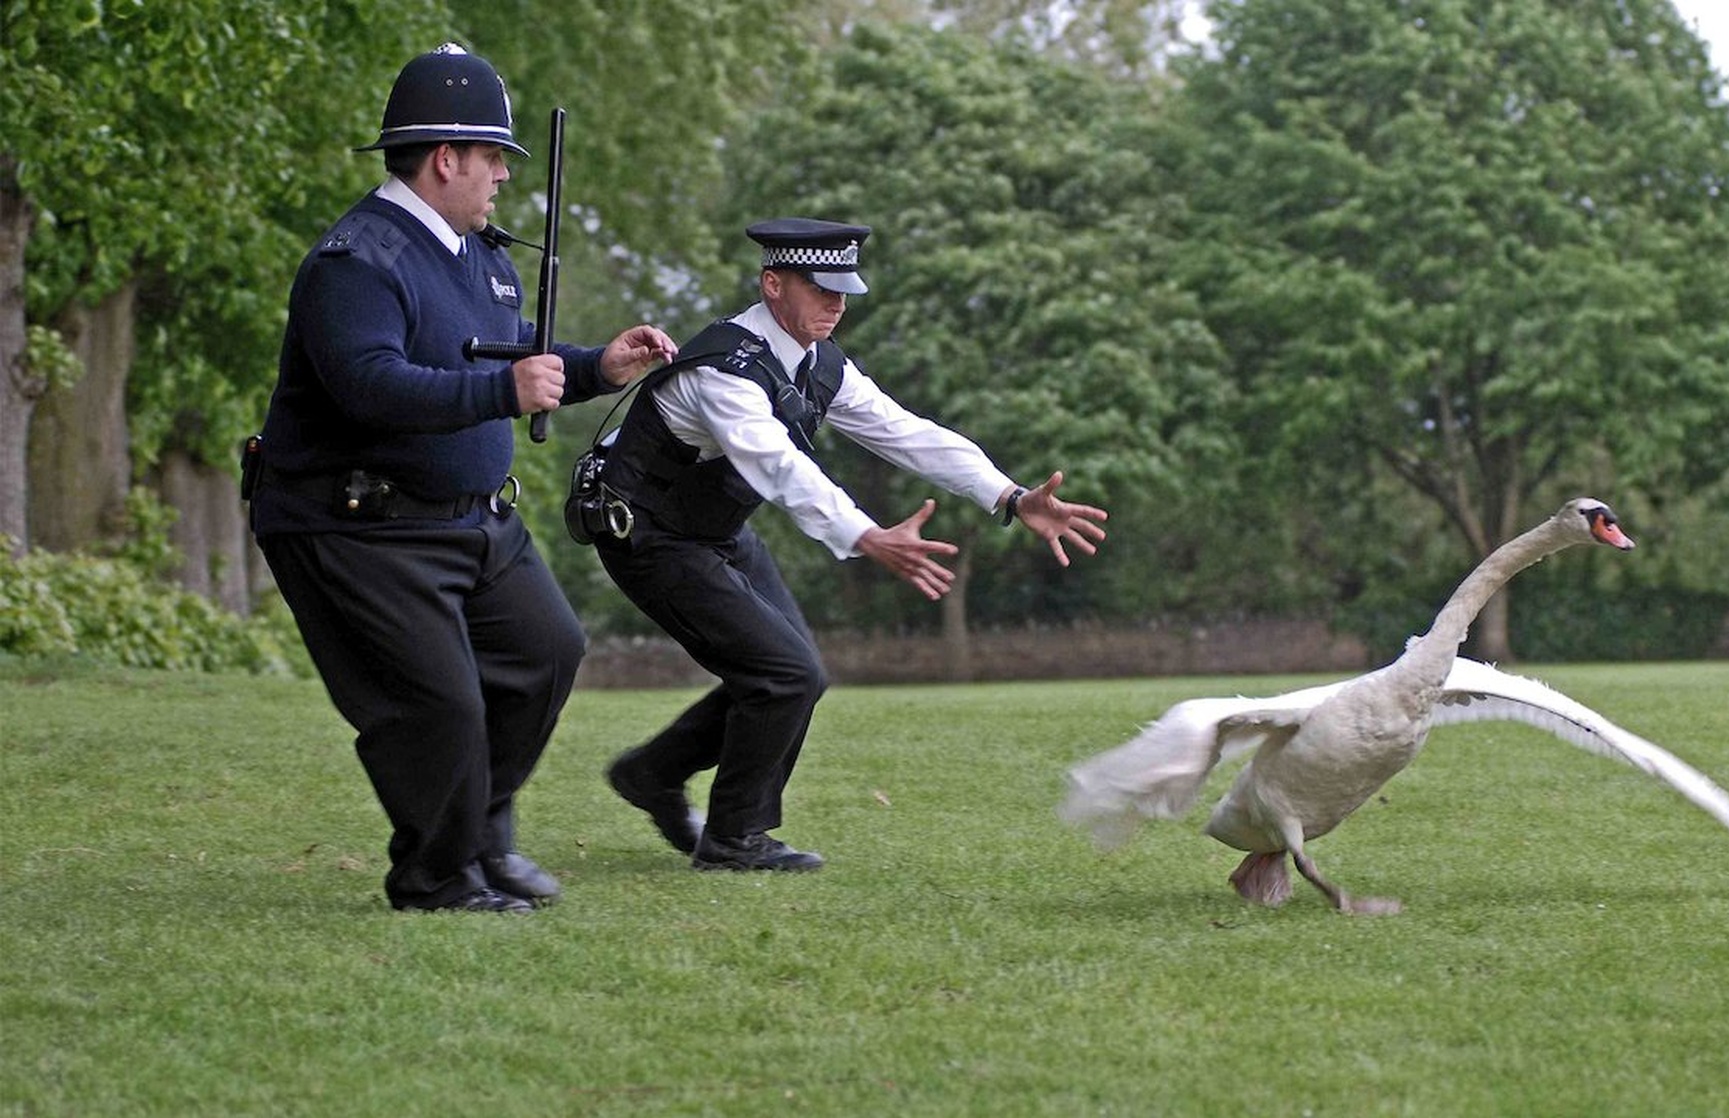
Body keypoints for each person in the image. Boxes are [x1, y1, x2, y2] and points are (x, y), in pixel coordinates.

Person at [248, 44, 676, 913]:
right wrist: (500, 391)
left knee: (545, 652)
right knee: (438, 706)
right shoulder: (355, 262)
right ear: (446, 159)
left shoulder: (480, 255)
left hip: (471, 519)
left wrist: (600, 367)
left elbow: (510, 357)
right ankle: (437, 877)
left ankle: (480, 838)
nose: (503, 180)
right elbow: (369, 387)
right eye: (494, 160)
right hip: (356, 522)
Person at [594, 218, 1108, 872]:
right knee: (786, 675)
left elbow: (906, 433)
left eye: (844, 290)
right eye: (821, 288)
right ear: (773, 284)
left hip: (712, 530)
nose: (837, 303)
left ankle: (653, 774)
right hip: (647, 535)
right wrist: (864, 534)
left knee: (793, 675)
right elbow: (781, 468)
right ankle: (732, 841)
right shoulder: (726, 372)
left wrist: (1008, 495)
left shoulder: (814, 362)